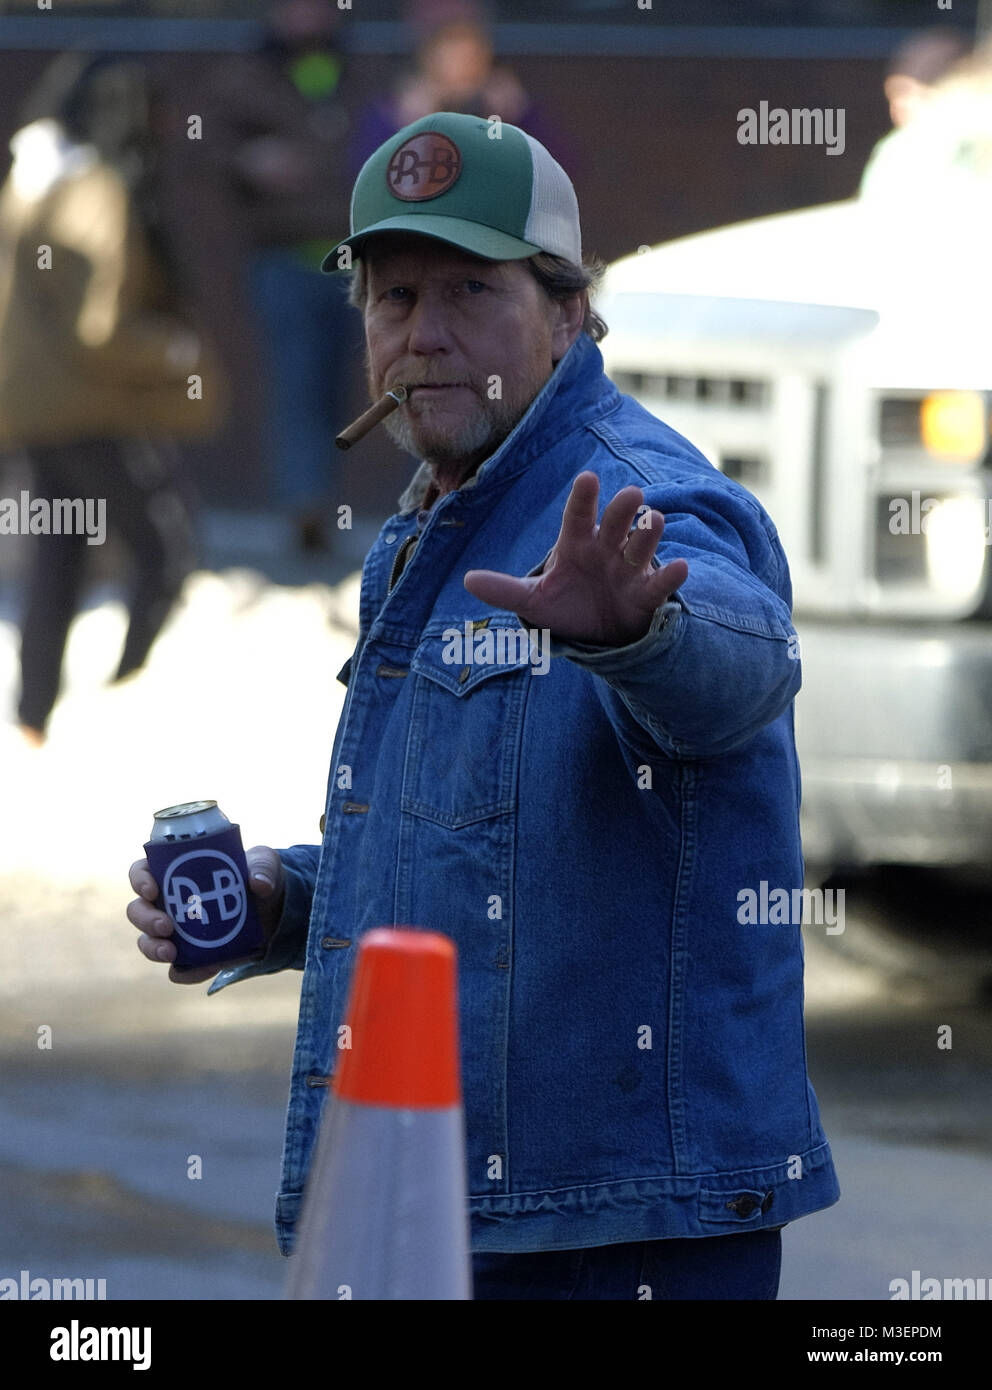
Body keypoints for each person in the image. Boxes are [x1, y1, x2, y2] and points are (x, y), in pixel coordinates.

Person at [128, 112, 840, 1300]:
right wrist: (285, 900)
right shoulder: (436, 527)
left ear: (566, 312)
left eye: (470, 289)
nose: (426, 335)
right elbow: (481, 842)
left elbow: (740, 669)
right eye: (395, 296)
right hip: (452, 1210)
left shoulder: (633, 499)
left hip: (624, 1239)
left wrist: (638, 629)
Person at [0, 54, 225, 744]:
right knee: (166, 548)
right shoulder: (93, 190)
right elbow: (99, 329)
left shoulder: (24, 182)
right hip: (93, 408)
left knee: (58, 558)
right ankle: (128, 694)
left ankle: (33, 717)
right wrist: (179, 353)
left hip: (29, 408)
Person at [201, 0, 354, 552]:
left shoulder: (360, 68)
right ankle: (304, 508)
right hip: (282, 256)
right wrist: (248, 160)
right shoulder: (246, 73)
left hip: (354, 260)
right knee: (297, 383)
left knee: (351, 387)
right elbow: (204, 143)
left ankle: (333, 506)